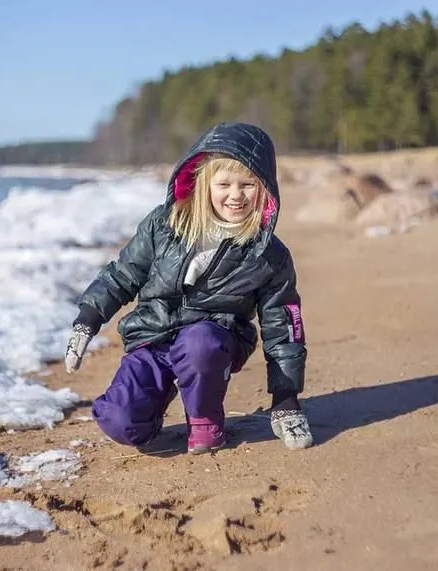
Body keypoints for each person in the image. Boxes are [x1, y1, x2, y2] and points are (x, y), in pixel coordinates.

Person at [64, 122, 313, 454]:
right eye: (224, 184)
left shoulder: (268, 255)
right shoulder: (165, 223)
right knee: (119, 420)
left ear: (265, 188)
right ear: (203, 183)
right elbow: (123, 273)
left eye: (248, 184)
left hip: (213, 341)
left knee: (198, 344)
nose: (235, 195)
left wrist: (286, 400)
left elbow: (284, 327)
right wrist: (88, 318)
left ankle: (205, 418)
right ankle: (156, 399)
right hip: (152, 336)